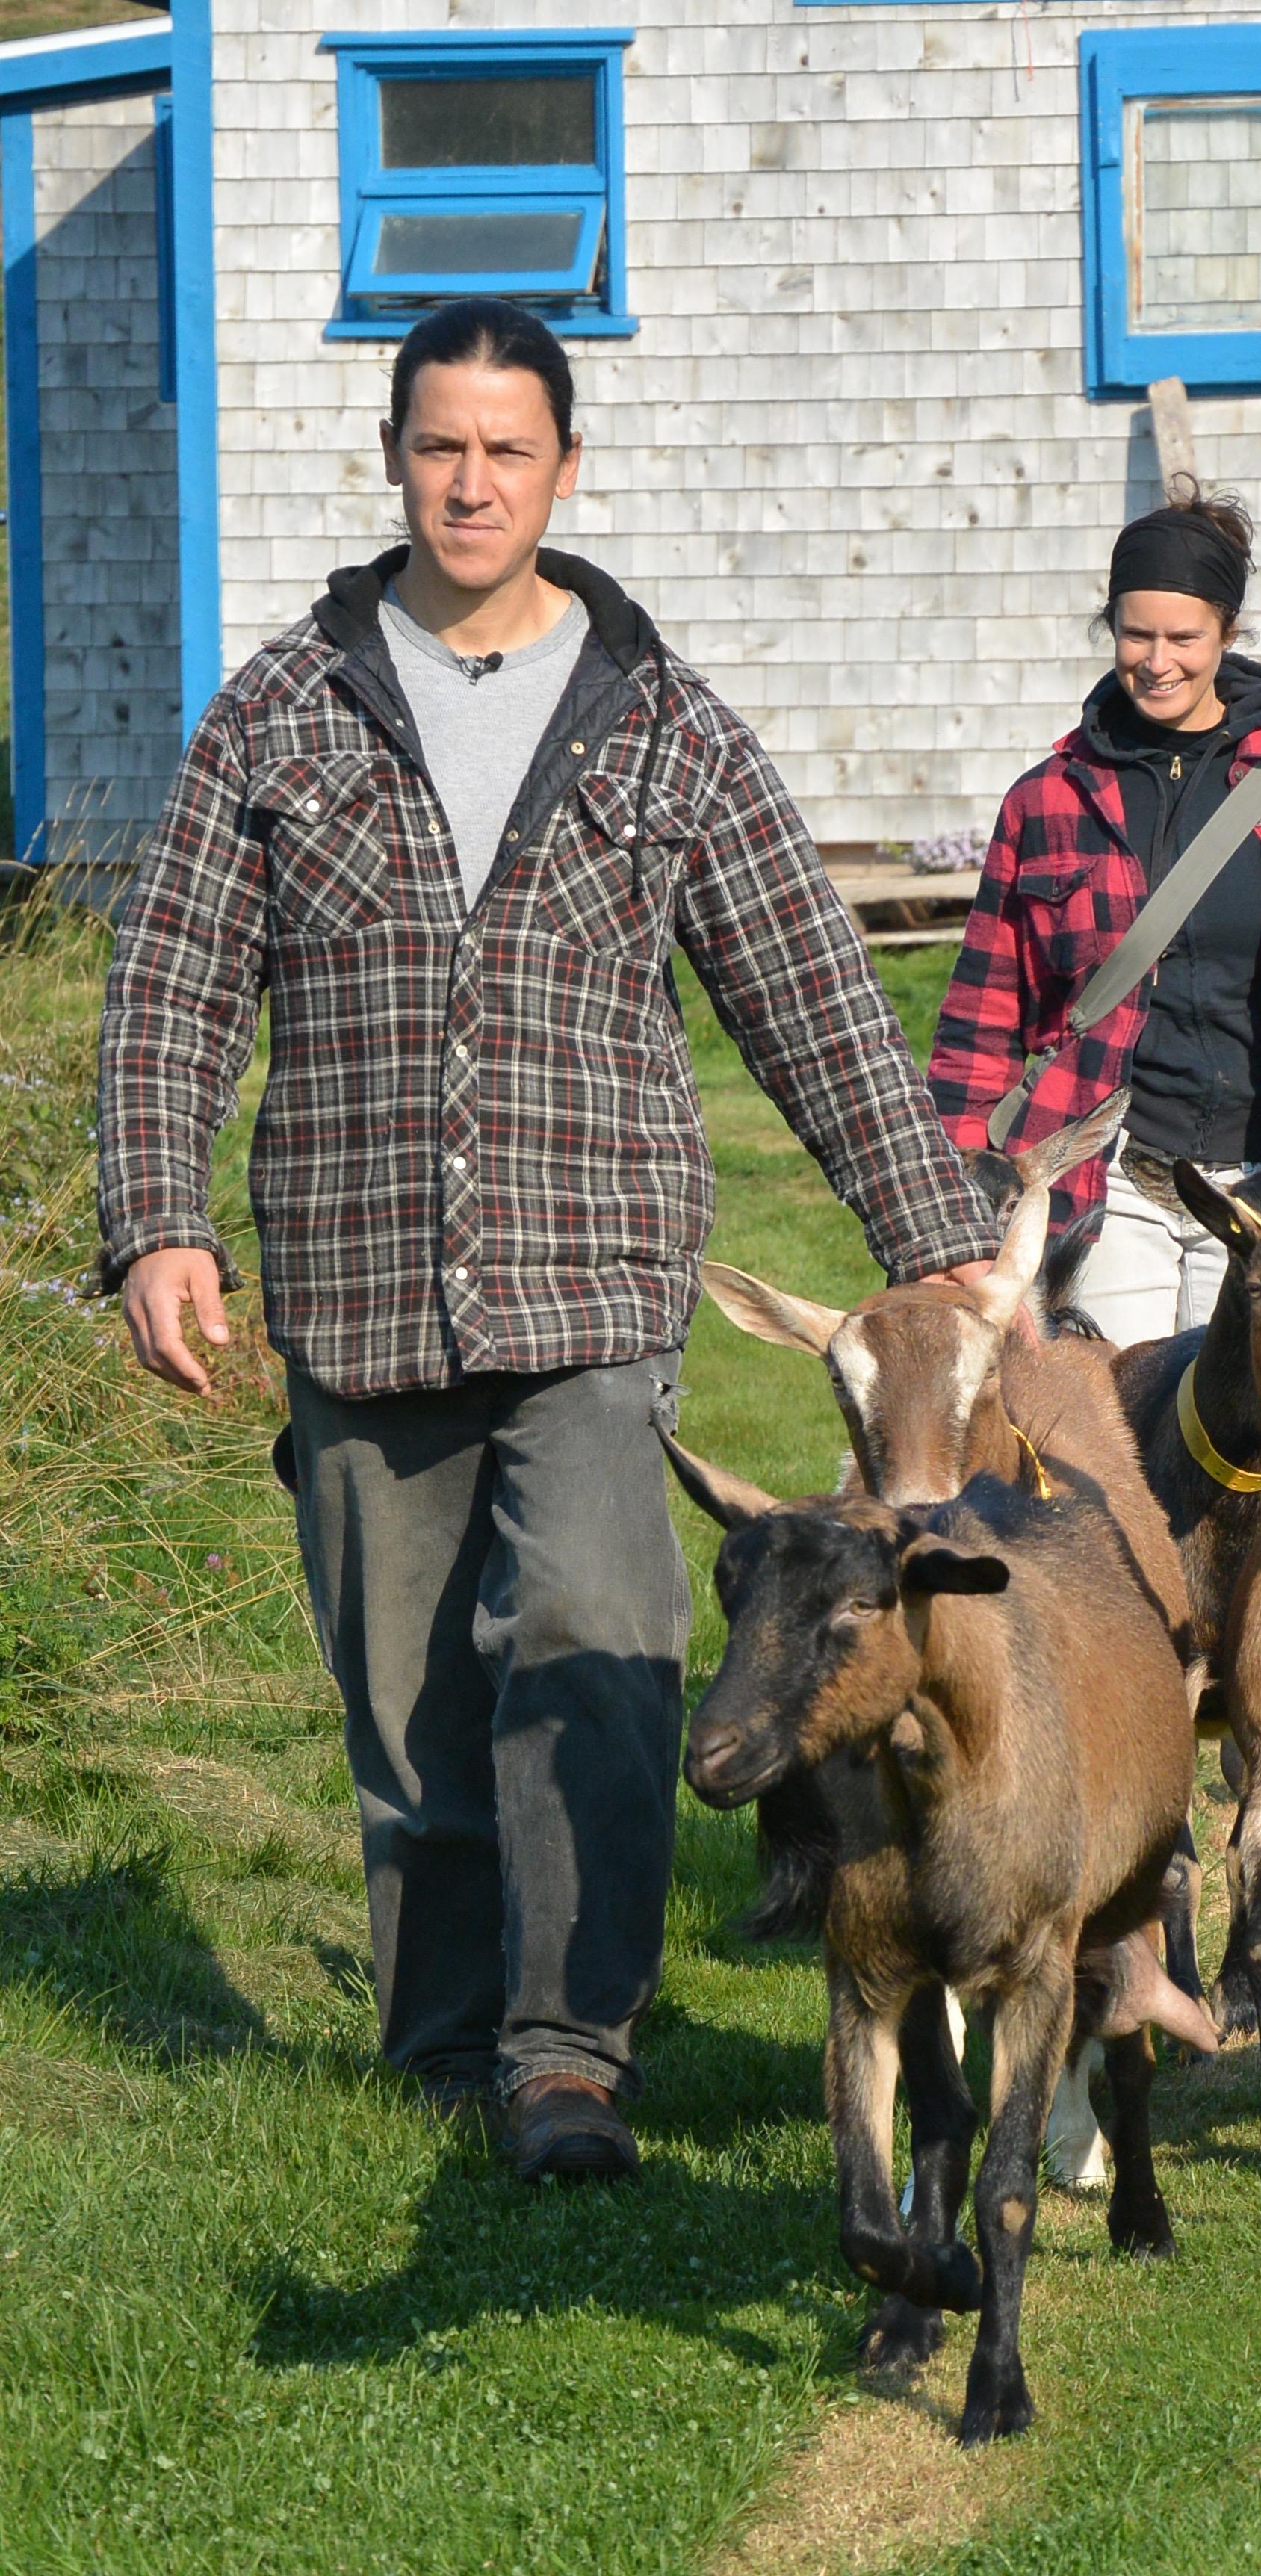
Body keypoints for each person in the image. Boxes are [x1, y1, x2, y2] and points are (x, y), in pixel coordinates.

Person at [98, 297, 1001, 2184]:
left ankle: (572, 2050)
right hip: (355, 1282)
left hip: (592, 1276)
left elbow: (805, 989)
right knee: (410, 1695)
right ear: (394, 462)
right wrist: (156, 1223)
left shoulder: (660, 721)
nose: (472, 481)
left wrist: (930, 1235)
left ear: (563, 470)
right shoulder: (280, 706)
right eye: (441, 446)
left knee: (598, 1632)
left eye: (510, 450)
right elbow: (174, 978)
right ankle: (444, 2045)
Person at [928, 485, 1261, 1338]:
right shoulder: (1047, 799)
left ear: (1227, 634)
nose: (1157, 660)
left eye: (1183, 638)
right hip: (1102, 1183)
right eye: (1135, 634)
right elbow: (982, 1016)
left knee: (1255, 1449)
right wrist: (953, 1202)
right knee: (1107, 1435)